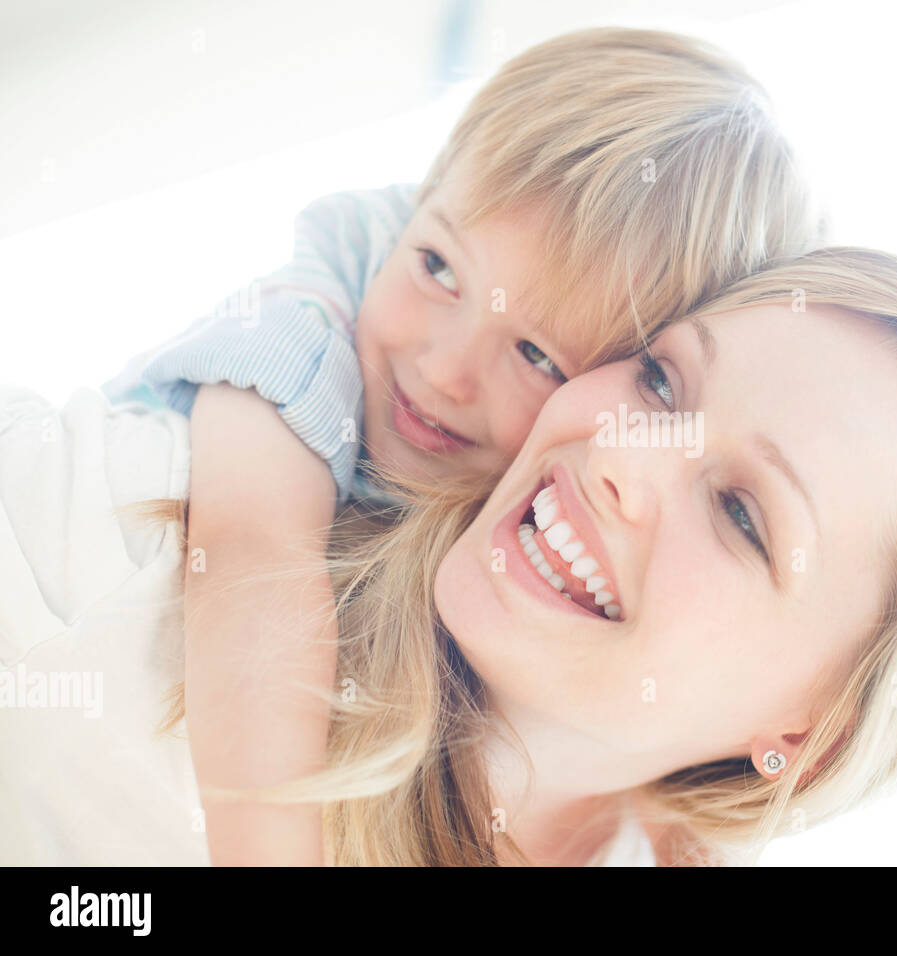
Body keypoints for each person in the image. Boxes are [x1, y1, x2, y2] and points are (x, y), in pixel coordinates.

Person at [0, 247, 897, 865]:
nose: (620, 462)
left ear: (808, 735)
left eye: (739, 511)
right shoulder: (132, 524)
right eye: (658, 380)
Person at [100, 27, 819, 864]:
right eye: (439, 267)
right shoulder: (304, 331)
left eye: (539, 356)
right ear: (421, 203)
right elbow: (255, 562)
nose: (444, 371)